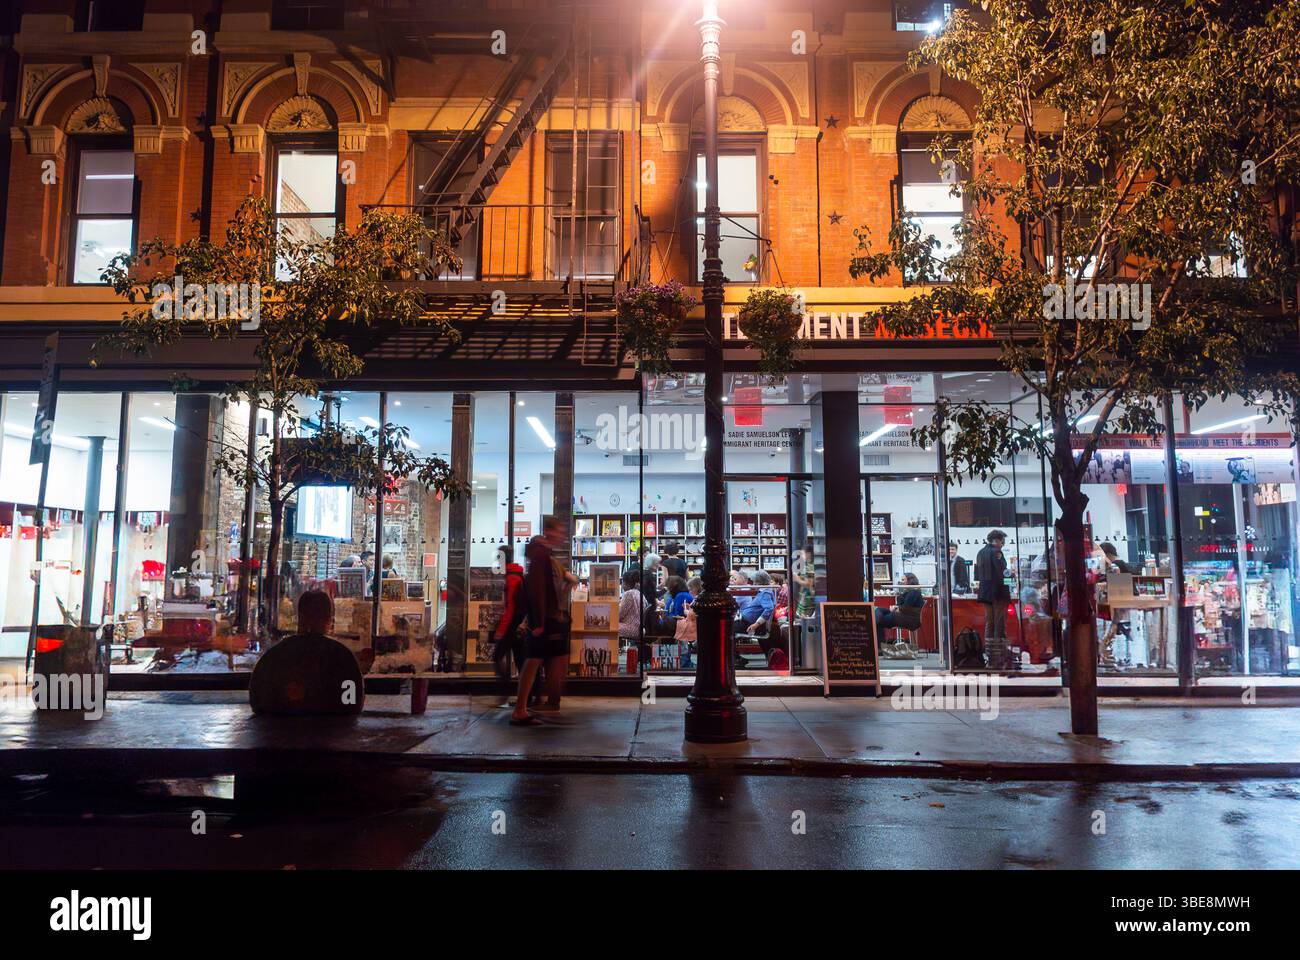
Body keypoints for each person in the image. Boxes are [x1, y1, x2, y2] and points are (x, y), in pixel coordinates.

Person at [249, 590, 366, 716]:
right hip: (330, 732)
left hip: (282, 731)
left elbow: (259, 701)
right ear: (329, 618)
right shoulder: (343, 658)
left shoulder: (274, 656)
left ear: (299, 616)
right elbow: (352, 705)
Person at [512, 517, 575, 725]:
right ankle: (523, 708)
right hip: (545, 619)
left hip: (549, 618)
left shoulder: (546, 556)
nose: (563, 536)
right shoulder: (541, 555)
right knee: (534, 661)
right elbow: (537, 590)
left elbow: (548, 590)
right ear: (549, 531)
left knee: (550, 659)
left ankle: (542, 702)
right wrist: (538, 622)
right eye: (560, 531)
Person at [490, 546, 528, 686]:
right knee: (520, 660)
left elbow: (511, 607)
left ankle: (506, 689)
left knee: (498, 657)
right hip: (517, 625)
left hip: (512, 625)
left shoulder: (512, 578)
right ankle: (527, 695)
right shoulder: (517, 575)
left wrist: (501, 630)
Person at [975, 529, 1010, 641]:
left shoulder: (980, 552)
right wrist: (1011, 579)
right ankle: (999, 653)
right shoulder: (996, 552)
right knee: (999, 624)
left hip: (985, 593)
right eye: (1002, 541)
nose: (1003, 544)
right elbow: (1003, 573)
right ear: (996, 540)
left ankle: (990, 652)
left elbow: (978, 575)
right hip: (998, 593)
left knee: (989, 623)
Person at [618, 569, 650, 645]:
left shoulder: (629, 594)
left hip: (631, 628)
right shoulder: (639, 593)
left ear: (625, 583)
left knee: (606, 627)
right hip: (638, 628)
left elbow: (619, 614)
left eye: (622, 582)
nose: (622, 585)